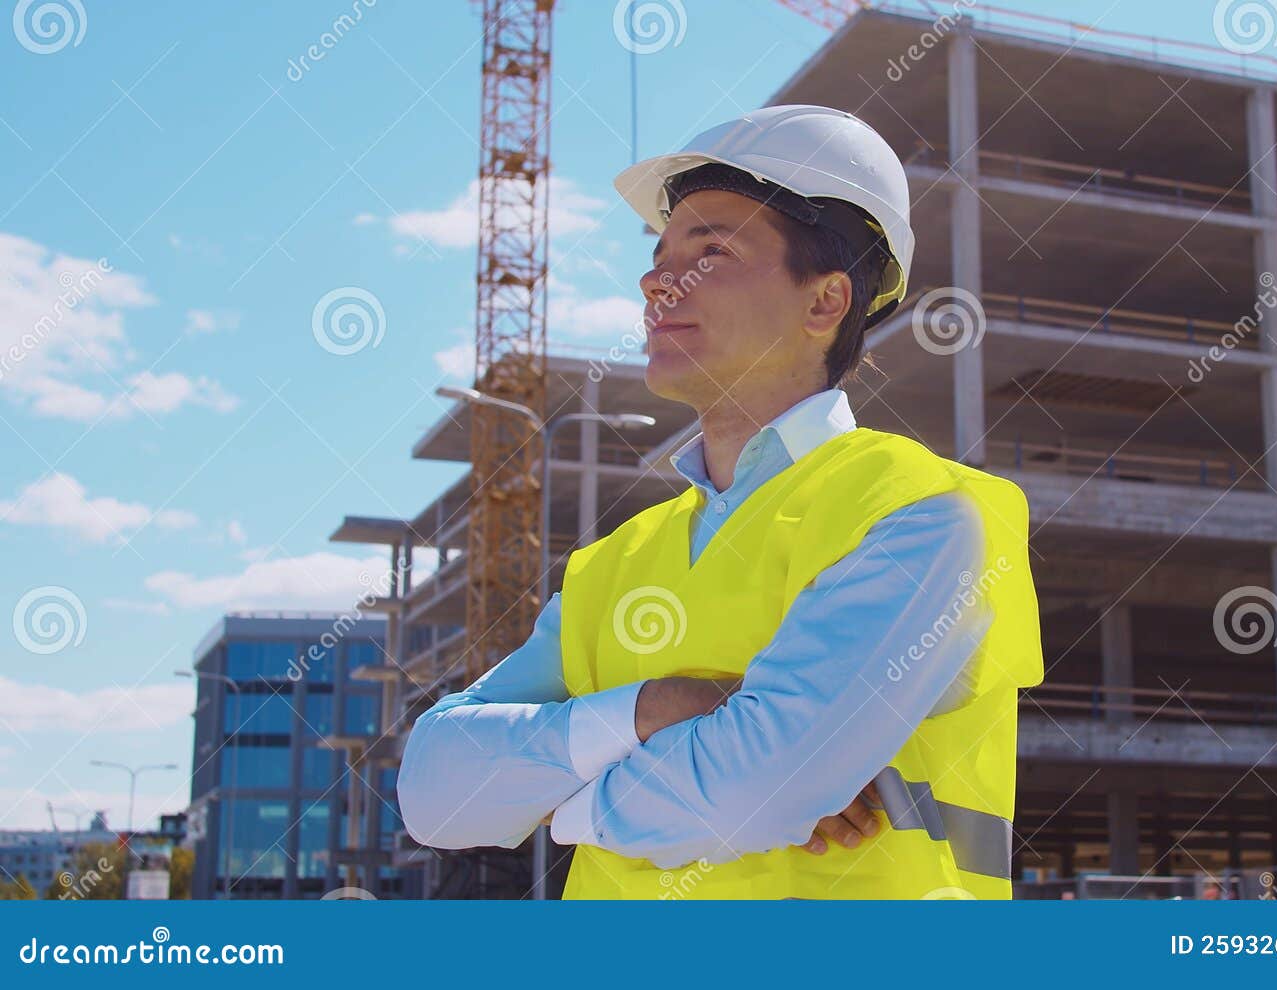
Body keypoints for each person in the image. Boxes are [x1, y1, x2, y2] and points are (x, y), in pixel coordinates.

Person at [397, 104, 1043, 899]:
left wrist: (555, 804)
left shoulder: (926, 516)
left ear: (825, 303)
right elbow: (432, 793)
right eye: (660, 253)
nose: (656, 279)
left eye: (710, 251)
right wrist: (650, 709)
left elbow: (757, 786)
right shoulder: (613, 564)